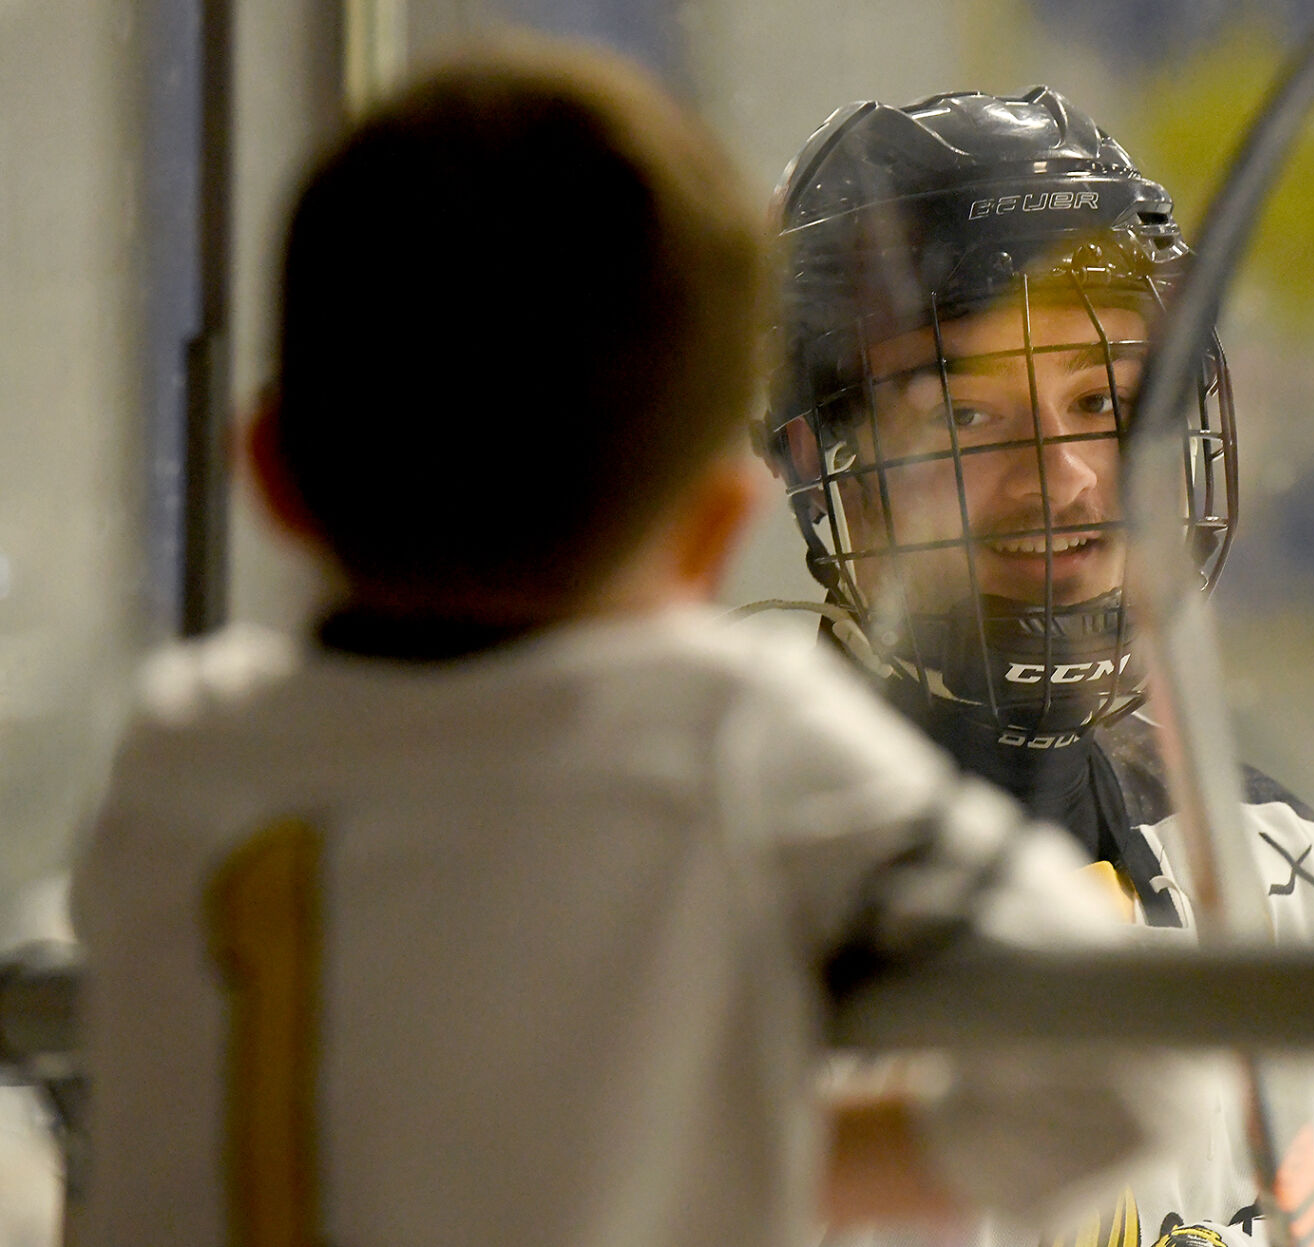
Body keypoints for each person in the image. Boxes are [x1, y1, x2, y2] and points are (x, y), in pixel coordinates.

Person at [68, 42, 1212, 1247]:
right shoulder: (725, 734)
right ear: (717, 523)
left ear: (270, 475)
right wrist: (706, 1159)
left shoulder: (176, 748)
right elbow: (1127, 1064)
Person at [757, 87, 1314, 1246]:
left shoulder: (1295, 901)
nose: (1069, 479)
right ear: (823, 461)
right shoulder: (696, 889)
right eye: (968, 418)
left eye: (1102, 403)